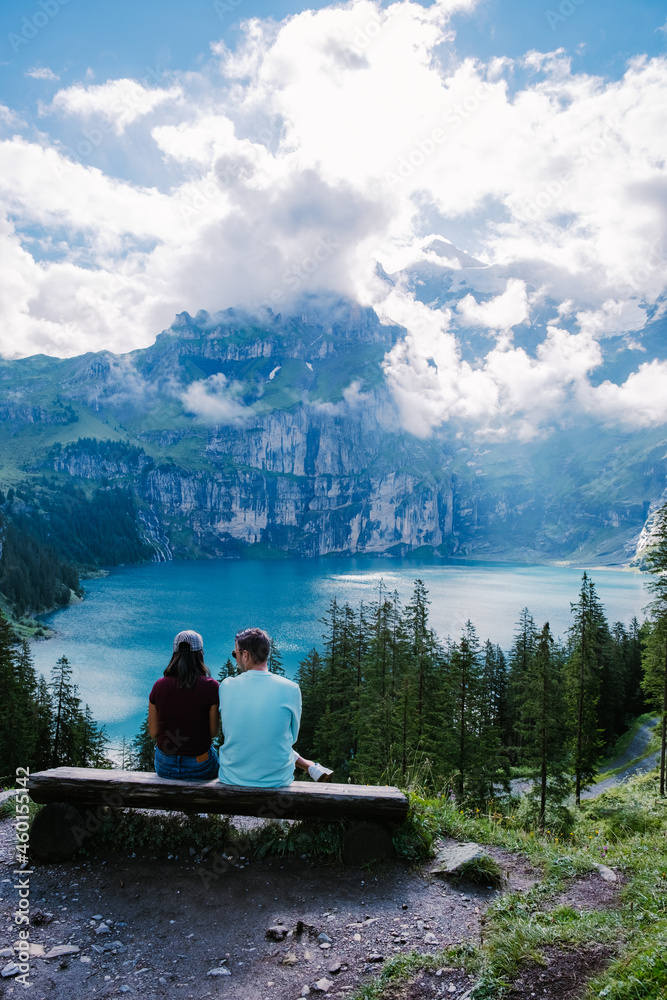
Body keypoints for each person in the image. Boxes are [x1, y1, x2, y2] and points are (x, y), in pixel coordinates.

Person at [217, 627, 333, 788]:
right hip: (277, 781)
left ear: (245, 655)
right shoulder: (291, 688)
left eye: (235, 654)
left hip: (232, 778)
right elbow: (292, 738)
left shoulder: (226, 686)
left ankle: (311, 767)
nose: (235, 658)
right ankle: (311, 767)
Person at [149, 629, 220, 780]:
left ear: (174, 654)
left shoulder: (159, 686)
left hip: (165, 765)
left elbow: (154, 733)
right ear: (200, 653)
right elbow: (213, 732)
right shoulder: (212, 687)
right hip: (199, 766)